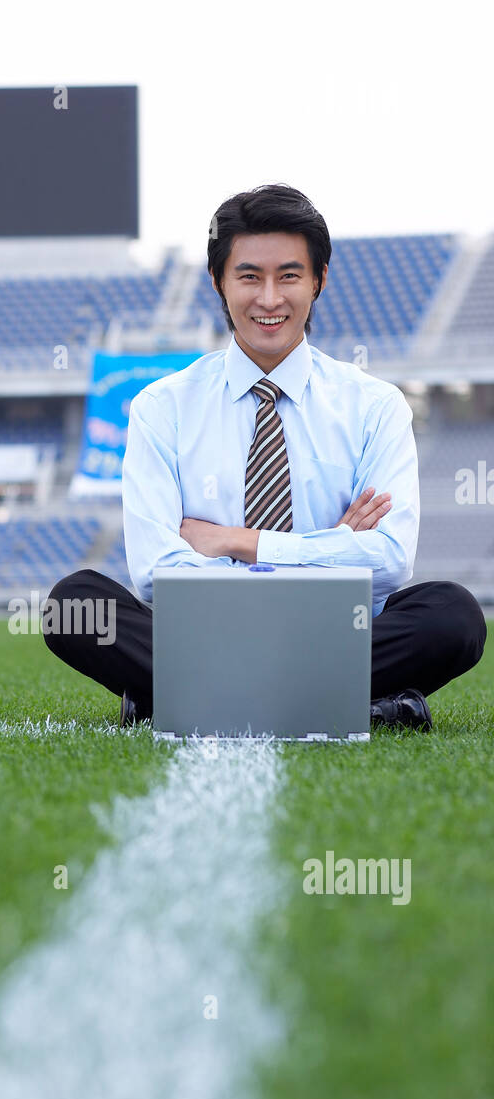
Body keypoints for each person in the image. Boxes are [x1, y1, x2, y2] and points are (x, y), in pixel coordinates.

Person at [42, 183, 487, 730]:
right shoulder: (162, 407)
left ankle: (179, 695)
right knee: (76, 605)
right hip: (207, 631)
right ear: (219, 282)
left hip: (336, 632)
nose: (270, 299)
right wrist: (331, 548)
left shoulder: (375, 406)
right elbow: (157, 573)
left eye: (290, 276)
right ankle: (353, 704)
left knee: (452, 616)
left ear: (319, 281)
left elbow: (390, 559)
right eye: (250, 276)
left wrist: (239, 543)